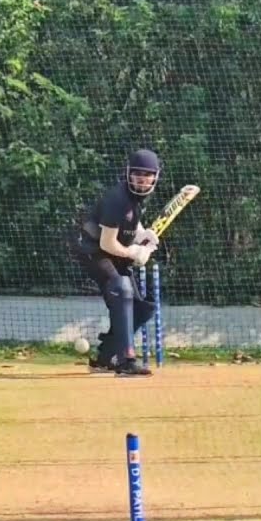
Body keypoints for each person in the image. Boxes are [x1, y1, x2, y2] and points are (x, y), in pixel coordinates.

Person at [74, 149, 163, 376]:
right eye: (137, 174)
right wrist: (134, 252)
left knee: (143, 309)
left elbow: (131, 224)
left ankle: (104, 359)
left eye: (147, 175)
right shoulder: (117, 199)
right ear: (128, 174)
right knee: (121, 288)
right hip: (93, 250)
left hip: (112, 251)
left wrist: (144, 236)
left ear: (155, 176)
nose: (142, 179)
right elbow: (107, 243)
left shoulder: (138, 198)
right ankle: (126, 361)